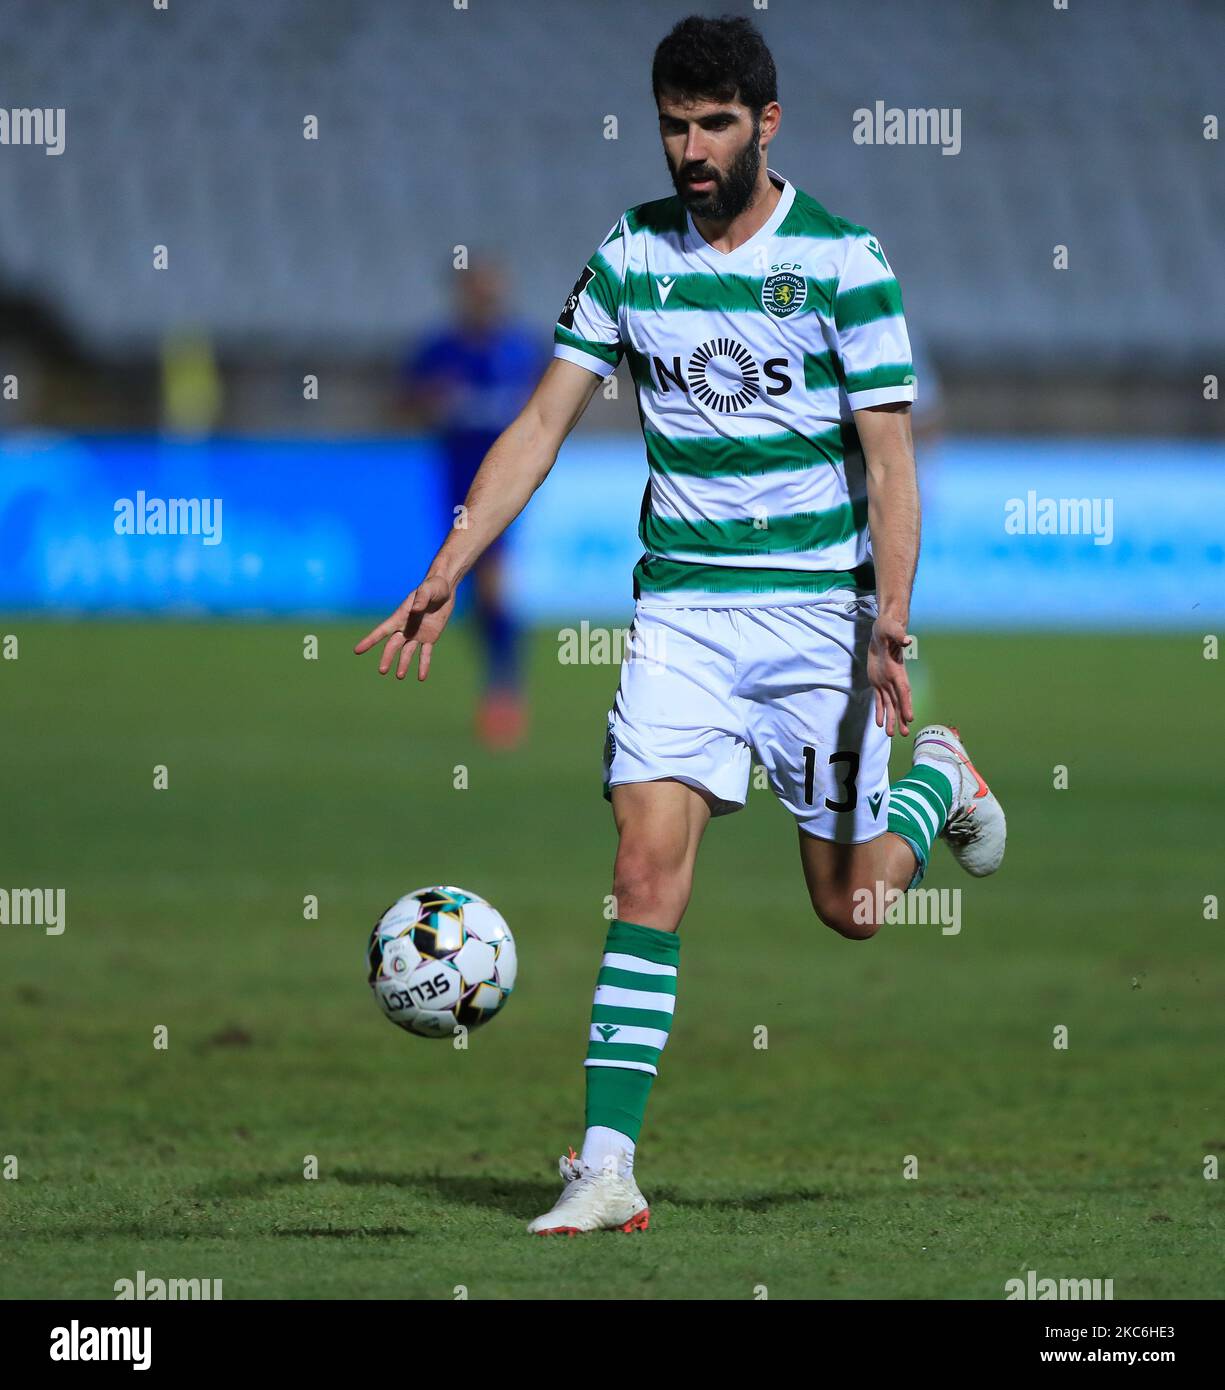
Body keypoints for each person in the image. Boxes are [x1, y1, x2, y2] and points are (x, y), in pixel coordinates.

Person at [358, 15, 1006, 1234]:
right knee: (643, 871)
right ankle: (604, 1166)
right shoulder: (630, 252)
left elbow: (888, 455)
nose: (690, 148)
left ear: (766, 124)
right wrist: (450, 563)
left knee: (853, 906)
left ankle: (940, 781)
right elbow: (542, 424)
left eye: (714, 124)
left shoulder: (843, 260)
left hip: (820, 617)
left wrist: (894, 619)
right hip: (682, 619)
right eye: (672, 123)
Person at [401, 261, 540, 747]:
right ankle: (500, 679)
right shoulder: (439, 349)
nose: (486, 300)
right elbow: (406, 405)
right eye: (478, 291)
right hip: (453, 484)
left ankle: (504, 693)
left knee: (492, 588)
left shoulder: (518, 349)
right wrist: (429, 402)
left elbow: (540, 414)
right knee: (464, 591)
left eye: (492, 291)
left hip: (500, 489)